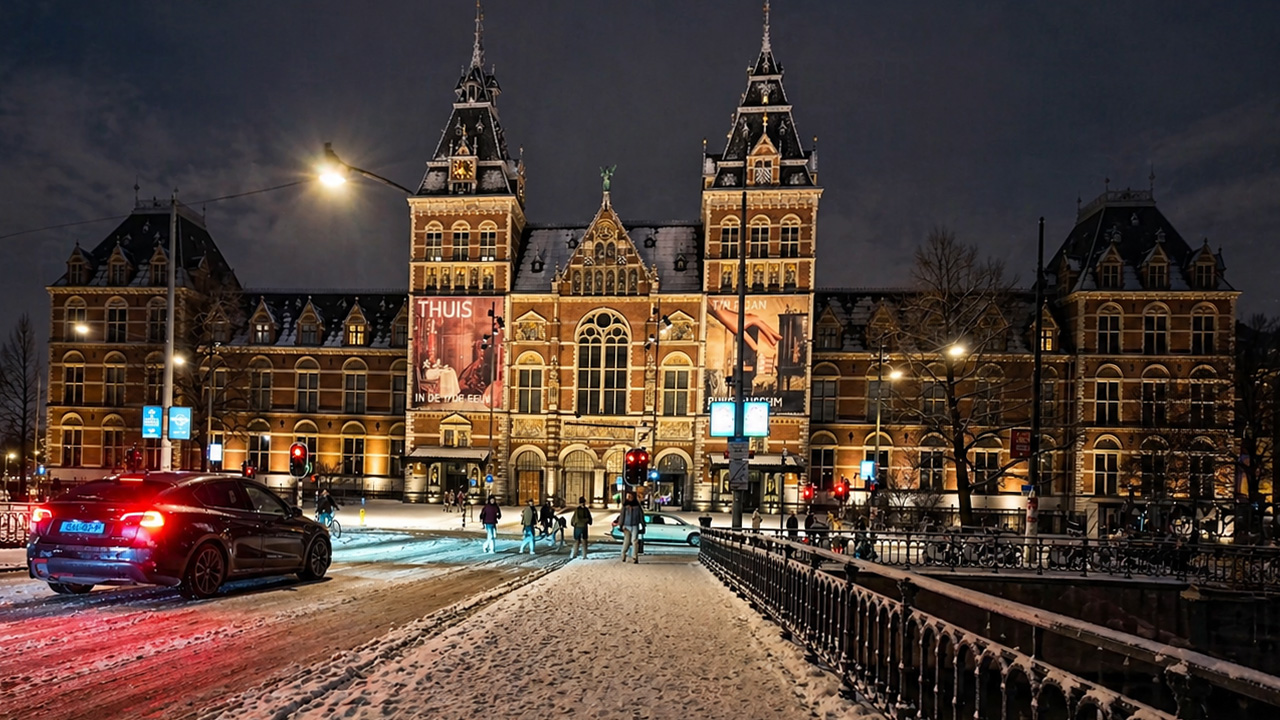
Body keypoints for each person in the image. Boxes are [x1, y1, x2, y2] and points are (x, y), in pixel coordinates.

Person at [617, 492, 645, 563]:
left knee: (634, 541)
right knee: (627, 541)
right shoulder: (625, 506)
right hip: (626, 526)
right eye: (628, 496)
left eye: (630, 496)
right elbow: (622, 516)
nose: (629, 498)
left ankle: (634, 557)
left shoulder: (637, 506)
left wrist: (643, 524)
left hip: (635, 525)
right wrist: (620, 525)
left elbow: (641, 516)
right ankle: (623, 555)